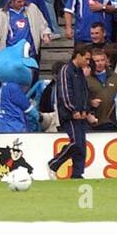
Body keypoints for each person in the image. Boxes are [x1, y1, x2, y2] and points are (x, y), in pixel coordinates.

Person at [47, 44, 92, 180]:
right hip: (69, 114)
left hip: (80, 114)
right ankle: (54, 164)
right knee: (76, 143)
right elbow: (65, 93)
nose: (88, 62)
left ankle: (77, 174)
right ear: (77, 56)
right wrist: (73, 109)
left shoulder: (79, 72)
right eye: (86, 59)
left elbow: (84, 92)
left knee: (81, 145)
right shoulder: (66, 70)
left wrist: (85, 109)